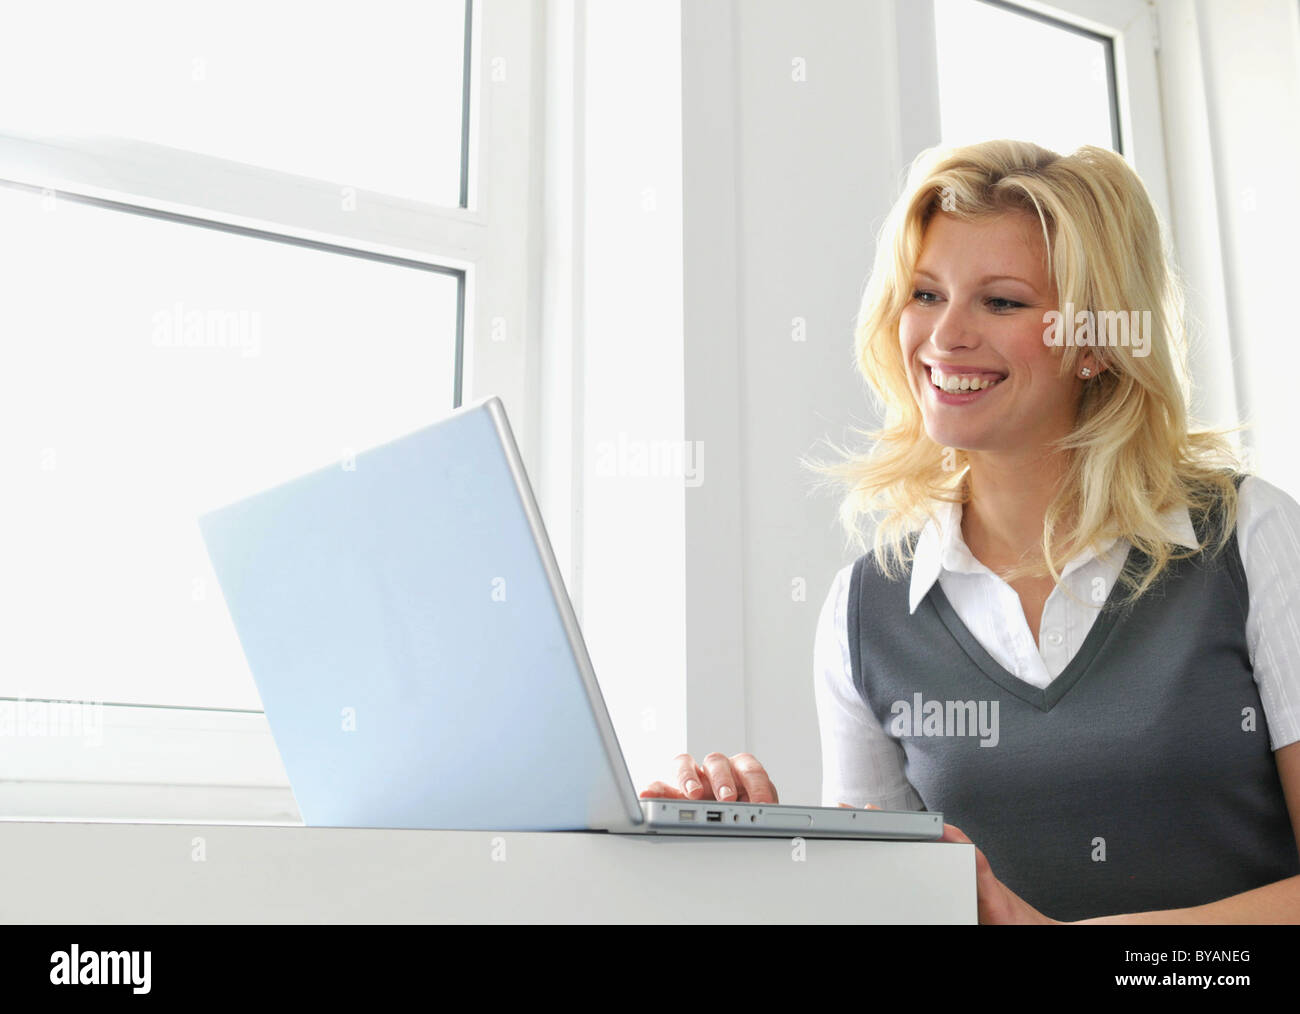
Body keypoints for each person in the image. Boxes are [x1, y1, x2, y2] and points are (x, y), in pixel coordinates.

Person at [640, 140, 1300, 924]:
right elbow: (888, 912)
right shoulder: (866, 608)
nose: (945, 337)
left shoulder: (1247, 540)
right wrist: (767, 865)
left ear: (1093, 342)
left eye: (1003, 302)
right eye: (924, 294)